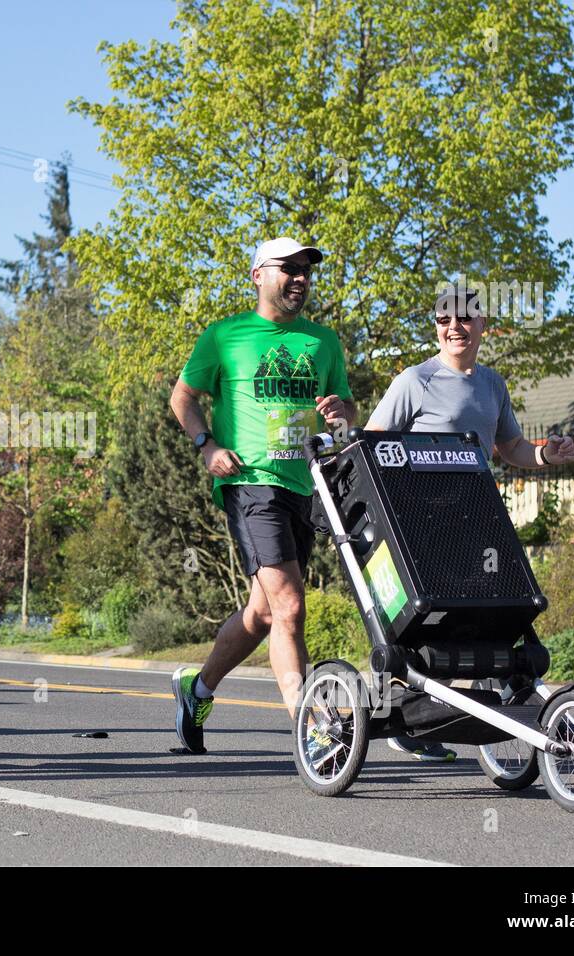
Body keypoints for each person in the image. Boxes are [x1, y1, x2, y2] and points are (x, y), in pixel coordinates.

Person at [365, 283, 574, 761]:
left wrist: (547, 455)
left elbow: (511, 449)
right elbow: (373, 445)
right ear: (436, 329)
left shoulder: (492, 385)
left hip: (476, 516)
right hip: (423, 520)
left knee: (485, 610)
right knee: (425, 614)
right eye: (444, 320)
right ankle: (407, 713)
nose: (453, 327)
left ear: (483, 325)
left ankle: (469, 698)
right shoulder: (413, 381)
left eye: (464, 319)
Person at [169, 237, 355, 757]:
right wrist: (207, 445)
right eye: (288, 268)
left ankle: (197, 689)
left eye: (306, 271)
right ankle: (314, 730)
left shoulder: (323, 342)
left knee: (265, 612)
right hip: (250, 482)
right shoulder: (226, 336)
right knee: (290, 605)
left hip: (306, 485)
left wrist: (342, 415)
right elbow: (182, 397)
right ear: (257, 275)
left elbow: (343, 410)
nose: (299, 278)